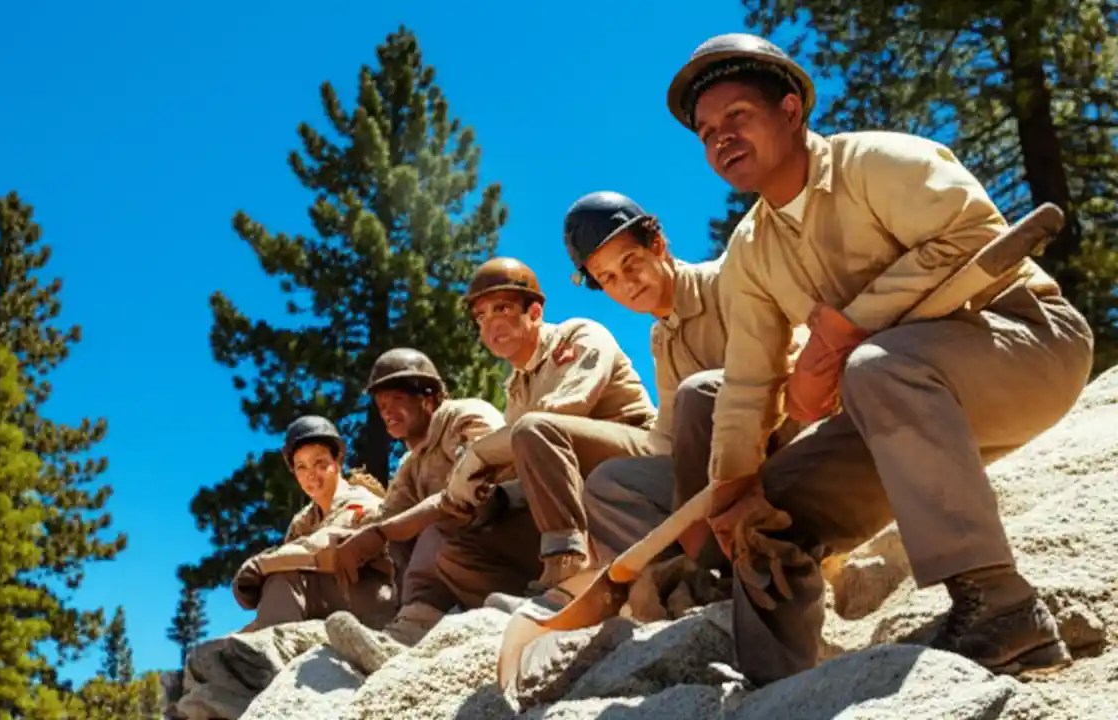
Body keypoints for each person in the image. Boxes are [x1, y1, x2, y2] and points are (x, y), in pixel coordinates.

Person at [662, 32, 1094, 684]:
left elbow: (975, 234)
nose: (720, 139)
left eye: (737, 118)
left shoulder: (877, 162)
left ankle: (999, 607)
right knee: (765, 513)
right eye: (706, 132)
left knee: (874, 366)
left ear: (790, 110)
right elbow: (749, 382)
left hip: (1023, 344)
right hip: (896, 399)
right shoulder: (751, 251)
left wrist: (847, 327)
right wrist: (730, 489)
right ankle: (781, 680)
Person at [560, 191, 803, 578]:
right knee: (609, 483)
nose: (627, 284)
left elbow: (790, 366)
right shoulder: (663, 341)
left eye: (631, 263)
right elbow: (670, 441)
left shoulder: (727, 282)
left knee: (699, 392)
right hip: (718, 479)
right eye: (608, 278)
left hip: (785, 449)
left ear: (657, 245)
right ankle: (684, 576)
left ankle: (717, 553)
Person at [440, 257, 658, 594]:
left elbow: (562, 413)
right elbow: (528, 461)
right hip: (580, 485)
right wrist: (494, 495)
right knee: (468, 528)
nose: (489, 325)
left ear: (535, 313)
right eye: (480, 317)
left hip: (642, 463)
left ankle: (567, 564)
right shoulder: (517, 387)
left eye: (501, 309)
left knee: (534, 428)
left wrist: (478, 454)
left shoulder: (580, 335)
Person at [318, 347, 540, 670]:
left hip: (524, 543)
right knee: (390, 540)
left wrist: (383, 530)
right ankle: (410, 625)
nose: (387, 412)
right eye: (381, 405)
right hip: (475, 560)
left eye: (396, 400)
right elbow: (387, 517)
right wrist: (349, 540)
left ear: (429, 396)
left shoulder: (465, 417)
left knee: (438, 524)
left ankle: (413, 629)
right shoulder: (413, 464)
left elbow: (480, 489)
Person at [230, 415, 397, 632]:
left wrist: (259, 565)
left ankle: (272, 654)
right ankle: (265, 644)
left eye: (320, 464)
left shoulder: (361, 501)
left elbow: (326, 549)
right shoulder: (303, 521)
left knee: (284, 577)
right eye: (301, 467)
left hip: (374, 602)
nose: (311, 475)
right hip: (329, 603)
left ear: (338, 461)